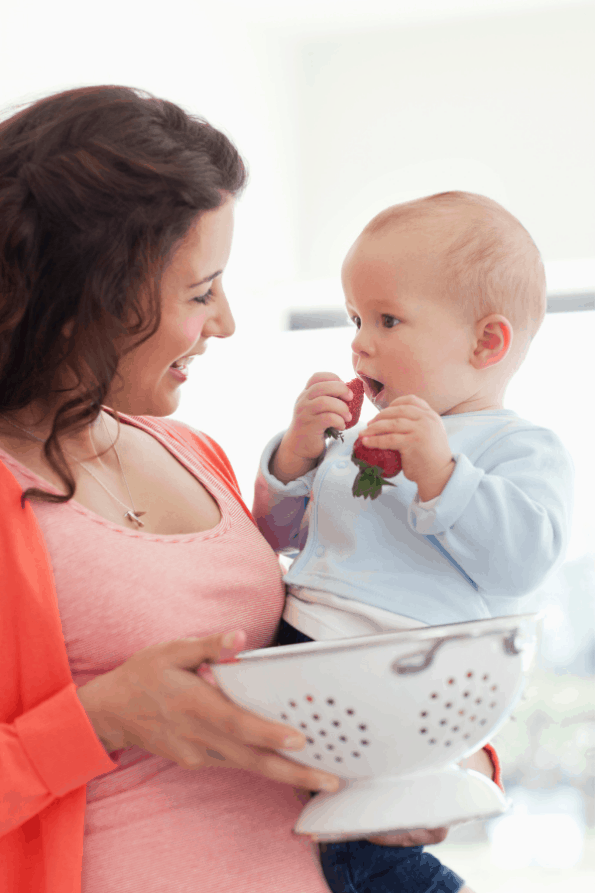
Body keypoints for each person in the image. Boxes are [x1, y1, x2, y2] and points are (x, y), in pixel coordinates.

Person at [0, 87, 494, 893]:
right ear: (83, 297)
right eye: (200, 293)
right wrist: (101, 717)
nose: (224, 321)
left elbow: (324, 649)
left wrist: (444, 760)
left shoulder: (193, 453)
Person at [253, 192, 575, 893]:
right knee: (333, 830)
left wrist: (446, 476)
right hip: (308, 648)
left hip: (403, 673)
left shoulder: (520, 446)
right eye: (355, 319)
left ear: (485, 344)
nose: (359, 343)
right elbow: (271, 538)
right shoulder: (354, 442)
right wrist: (294, 456)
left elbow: (521, 563)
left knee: (372, 845)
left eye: (387, 320)